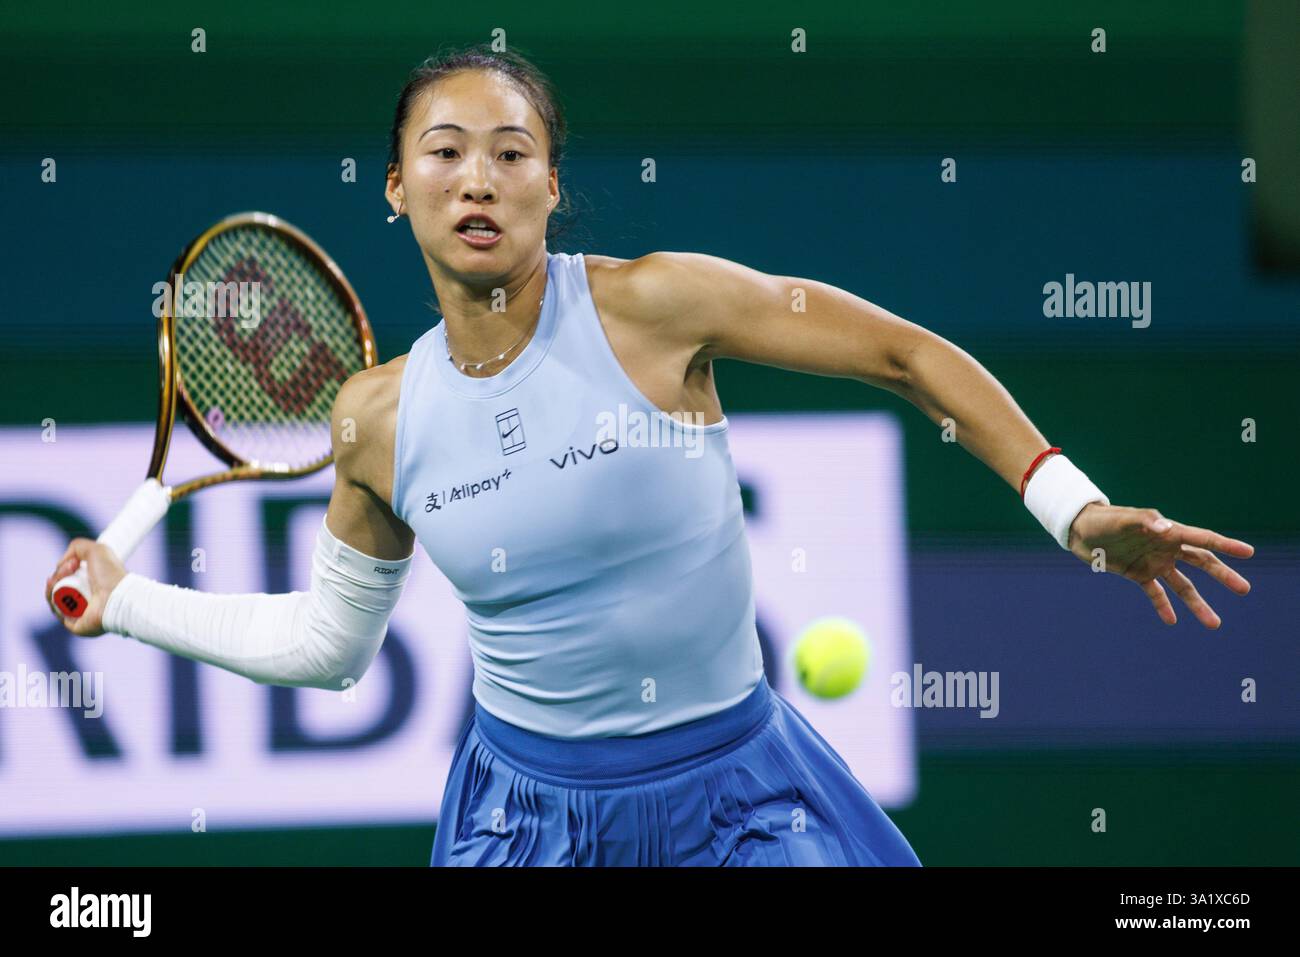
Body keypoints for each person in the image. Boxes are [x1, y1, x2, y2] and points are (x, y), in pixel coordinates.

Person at [45, 45, 1254, 866]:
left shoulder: (658, 307)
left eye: (512, 153)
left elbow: (903, 355)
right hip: (524, 822)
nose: (479, 178)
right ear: (395, 188)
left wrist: (1076, 512)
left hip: (740, 795)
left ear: (551, 184)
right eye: (447, 150)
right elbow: (328, 648)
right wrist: (131, 602)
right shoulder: (375, 418)